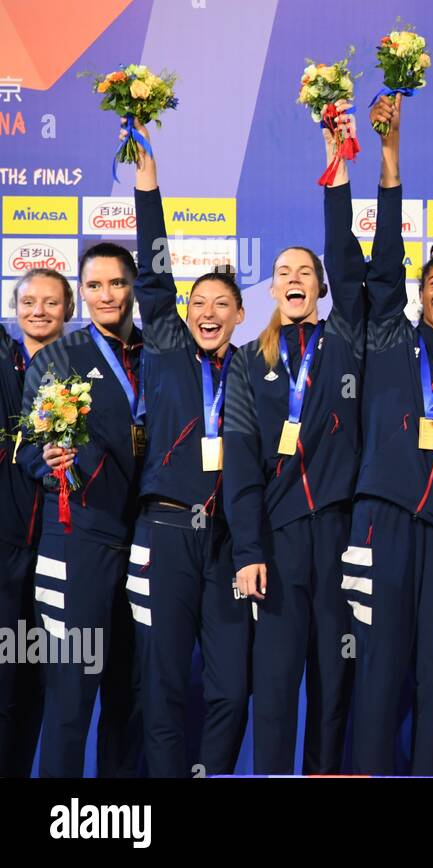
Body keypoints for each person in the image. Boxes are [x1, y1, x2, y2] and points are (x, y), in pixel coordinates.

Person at [335, 95, 433, 775]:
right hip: (384, 523)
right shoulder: (386, 337)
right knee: (376, 675)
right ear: (420, 288)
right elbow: (382, 263)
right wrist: (390, 156)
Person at [222, 113, 365, 774]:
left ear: (321, 283)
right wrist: (249, 548)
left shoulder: (347, 343)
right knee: (275, 690)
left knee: (335, 684)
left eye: (304, 268)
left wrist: (335, 164)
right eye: (282, 271)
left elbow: (347, 255)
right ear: (273, 287)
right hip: (277, 542)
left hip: (337, 535)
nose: (293, 277)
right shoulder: (249, 360)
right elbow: (243, 466)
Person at [123, 119, 251, 777]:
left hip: (228, 542)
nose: (207, 311)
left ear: (238, 315)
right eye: (197, 301)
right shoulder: (168, 345)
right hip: (167, 530)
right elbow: (153, 270)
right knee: (164, 684)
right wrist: (149, 183)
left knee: (231, 687)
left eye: (220, 304)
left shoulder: (256, 370)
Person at [21, 241, 146, 777]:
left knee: (130, 697)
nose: (106, 295)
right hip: (78, 537)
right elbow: (27, 449)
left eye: (116, 283)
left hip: (146, 540)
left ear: (133, 287)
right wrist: (46, 460)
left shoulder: (160, 352)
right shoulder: (57, 357)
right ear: (82, 294)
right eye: (94, 285)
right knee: (71, 697)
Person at [0, 268, 71, 775]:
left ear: (68, 309)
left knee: (42, 685)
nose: (39, 311)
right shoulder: (4, 361)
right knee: (5, 681)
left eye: (50, 302)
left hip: (60, 548)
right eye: (29, 301)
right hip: (5, 550)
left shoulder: (82, 369)